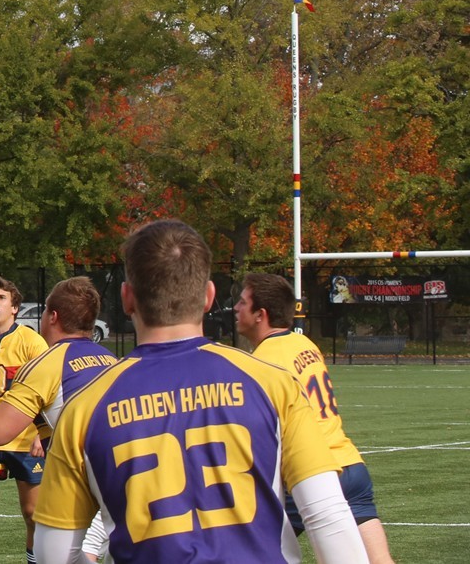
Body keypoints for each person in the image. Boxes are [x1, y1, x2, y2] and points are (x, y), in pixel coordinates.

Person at [36, 221, 366, 563]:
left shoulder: (85, 407)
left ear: (127, 298)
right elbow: (328, 516)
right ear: (209, 296)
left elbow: (54, 554)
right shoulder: (273, 383)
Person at [235, 272, 396, 564]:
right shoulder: (305, 344)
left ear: (261, 314)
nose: (235, 308)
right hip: (350, 464)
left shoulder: (261, 361)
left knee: (244, 550)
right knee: (379, 560)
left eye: (242, 302)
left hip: (312, 471)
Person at [0, 277, 119, 563]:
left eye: (45, 310)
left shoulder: (47, 363)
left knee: (52, 554)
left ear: (53, 317)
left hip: (92, 475)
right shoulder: (112, 359)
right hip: (128, 472)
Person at [0, 276, 50, 561]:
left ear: (15, 307)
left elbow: (47, 391)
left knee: (33, 514)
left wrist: (41, 434)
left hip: (24, 438)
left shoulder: (31, 341)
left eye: (1, 298)